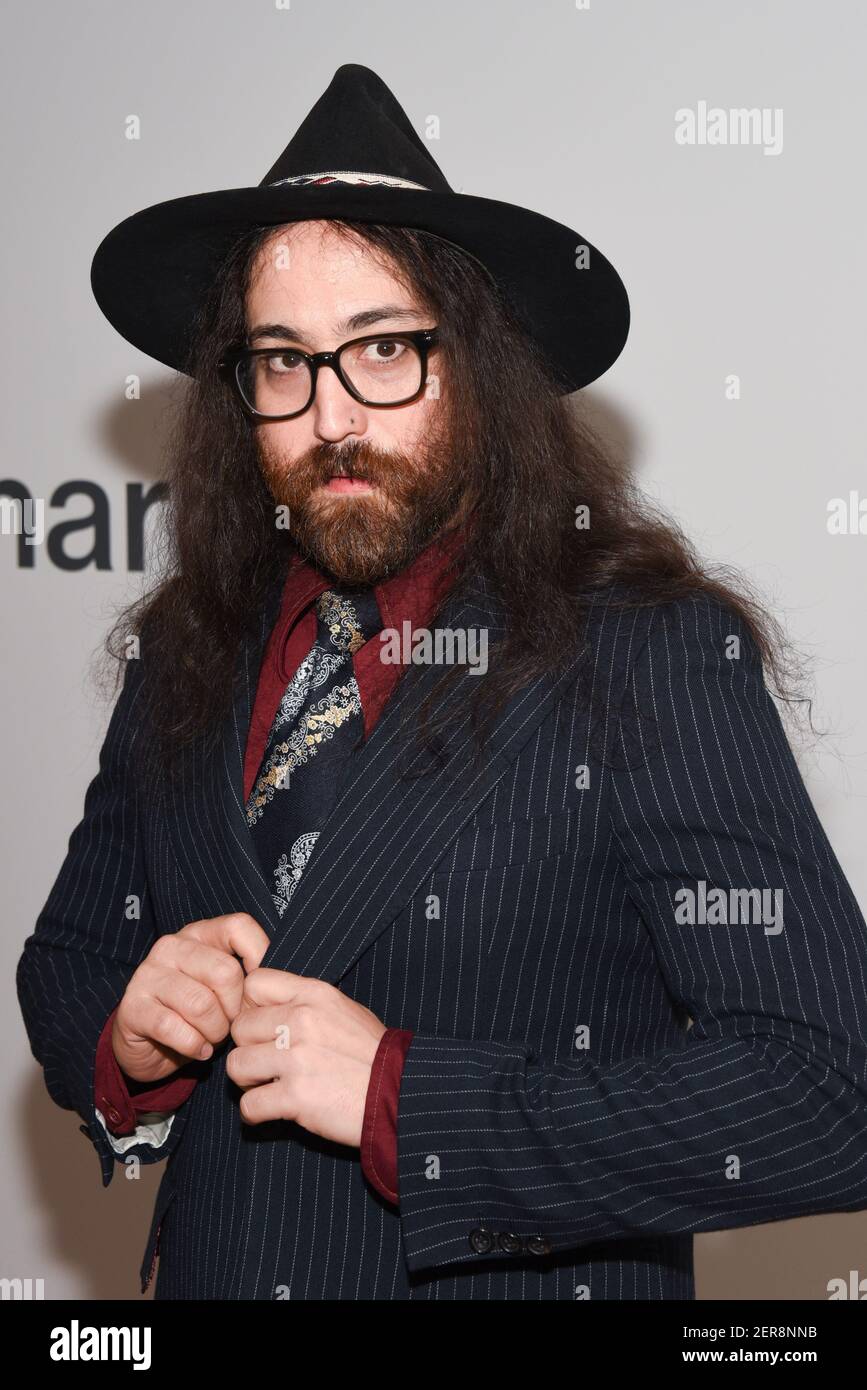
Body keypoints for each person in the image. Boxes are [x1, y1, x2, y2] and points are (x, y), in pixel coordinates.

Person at [17, 64, 867, 1301]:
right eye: (282, 364)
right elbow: (72, 952)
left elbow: (830, 1086)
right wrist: (127, 1034)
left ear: (478, 367)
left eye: (385, 351)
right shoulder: (190, 646)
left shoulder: (646, 650)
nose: (333, 418)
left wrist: (407, 1102)